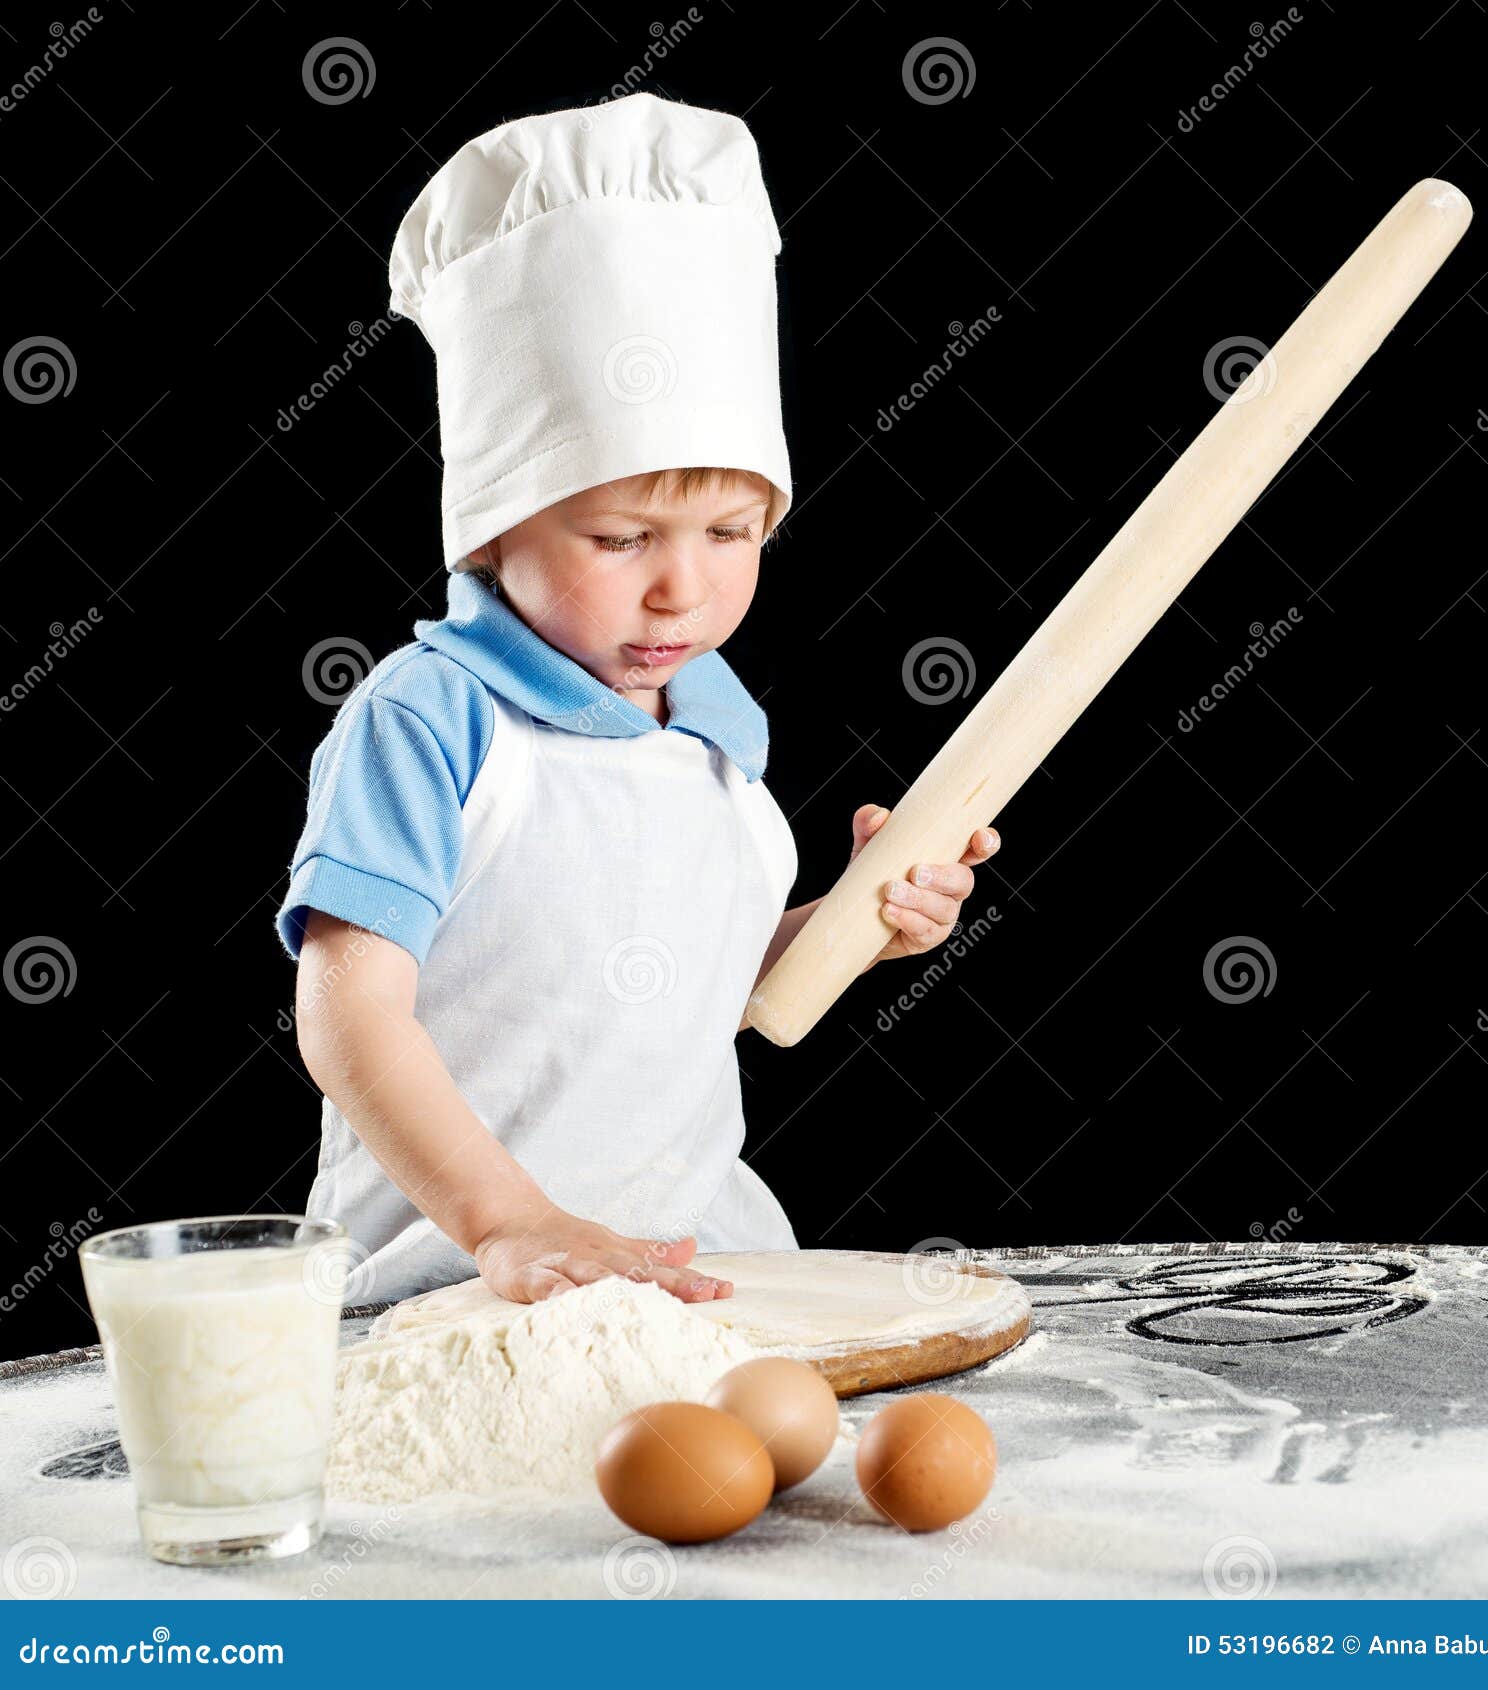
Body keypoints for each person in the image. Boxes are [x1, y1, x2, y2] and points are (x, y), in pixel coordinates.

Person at [275, 93, 1000, 1307]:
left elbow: (670, 990)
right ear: (492, 530)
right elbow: (348, 1018)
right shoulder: (431, 722)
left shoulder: (714, 734)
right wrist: (510, 1221)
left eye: (731, 531)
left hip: (689, 1270)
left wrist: (849, 924)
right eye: (619, 538)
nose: (682, 589)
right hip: (454, 1282)